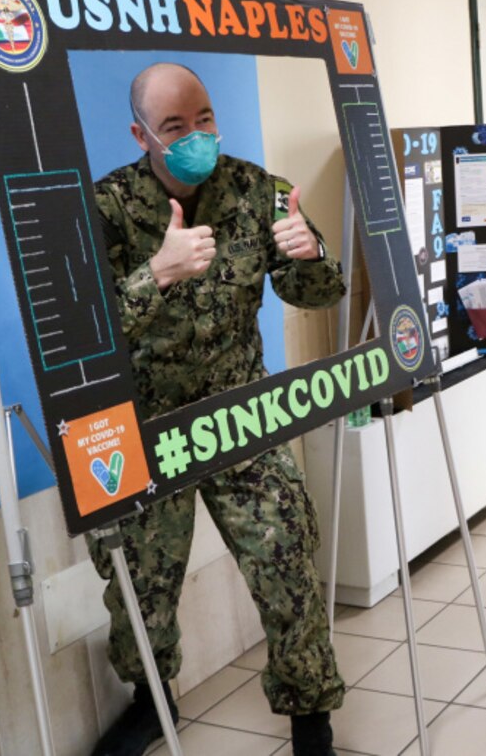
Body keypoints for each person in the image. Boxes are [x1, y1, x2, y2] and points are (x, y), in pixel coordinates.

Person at [88, 62, 345, 756]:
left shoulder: (259, 189)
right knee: (136, 590)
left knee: (287, 554)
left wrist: (311, 252)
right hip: (146, 430)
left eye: (203, 118)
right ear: (141, 134)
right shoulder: (104, 207)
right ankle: (151, 700)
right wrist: (157, 273)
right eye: (175, 126)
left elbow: (321, 292)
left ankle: (309, 715)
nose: (196, 135)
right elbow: (78, 338)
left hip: (240, 415)